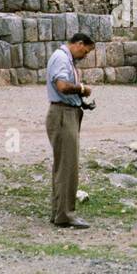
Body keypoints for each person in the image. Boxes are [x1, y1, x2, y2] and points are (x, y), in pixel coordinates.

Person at [45, 32, 95, 229]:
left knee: (63, 165)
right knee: (68, 167)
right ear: (79, 43)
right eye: (85, 50)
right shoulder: (61, 58)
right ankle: (66, 215)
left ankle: (59, 211)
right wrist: (82, 89)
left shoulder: (66, 59)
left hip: (68, 113)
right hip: (63, 115)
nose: (85, 55)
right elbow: (62, 86)